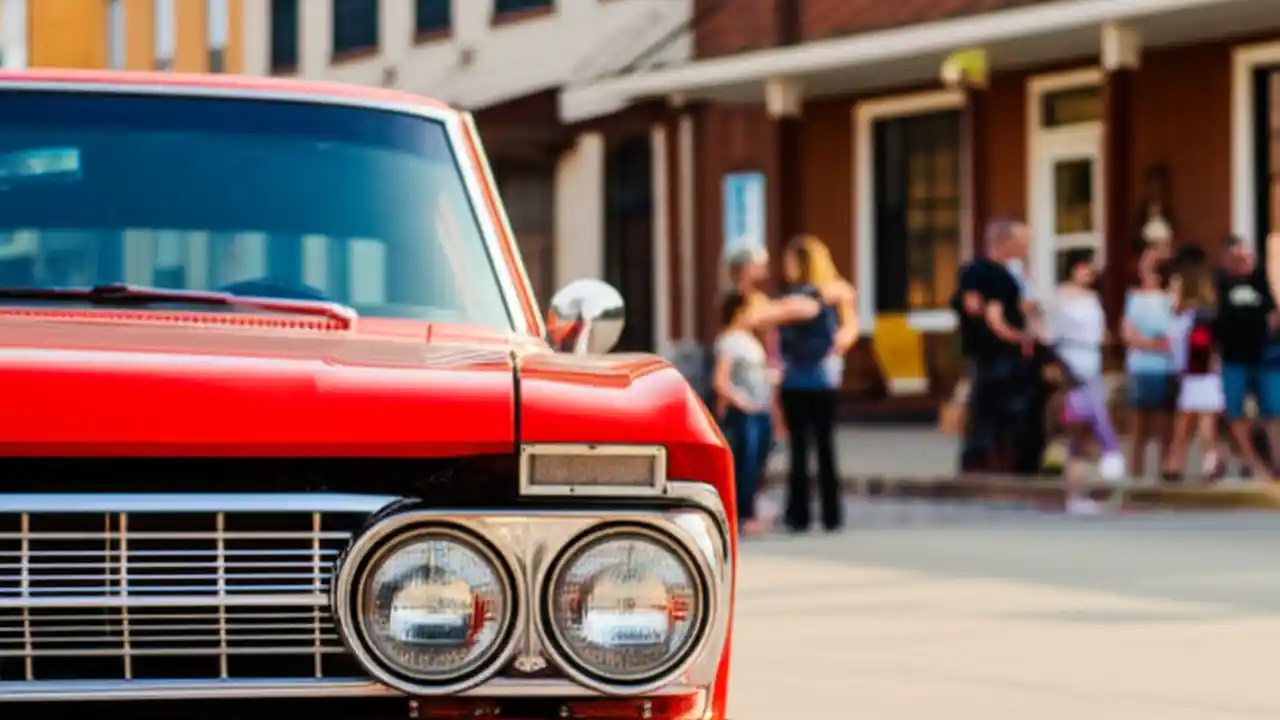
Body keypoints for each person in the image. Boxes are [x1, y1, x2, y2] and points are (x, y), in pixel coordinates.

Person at [777, 235, 857, 533]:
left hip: (797, 380)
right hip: (825, 380)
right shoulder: (835, 295)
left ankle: (799, 515)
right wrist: (836, 349)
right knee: (825, 448)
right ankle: (831, 515)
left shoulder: (798, 297)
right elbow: (849, 330)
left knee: (799, 449)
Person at [950, 219, 1037, 474]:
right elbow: (993, 316)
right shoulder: (994, 276)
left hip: (984, 354)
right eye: (1022, 242)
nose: (1025, 247)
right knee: (999, 413)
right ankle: (992, 464)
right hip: (998, 356)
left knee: (984, 412)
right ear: (1006, 242)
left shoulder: (981, 272)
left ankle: (982, 463)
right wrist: (1021, 337)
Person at [1046, 249, 1125, 514]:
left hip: (1092, 361)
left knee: (1081, 438)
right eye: (1085, 268)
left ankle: (1077, 493)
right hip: (1072, 361)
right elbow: (1051, 335)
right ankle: (1111, 450)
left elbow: (1099, 331)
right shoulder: (1060, 298)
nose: (1089, 273)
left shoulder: (1093, 298)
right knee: (1083, 419)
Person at [1213, 237, 1280, 479]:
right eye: (1237, 257)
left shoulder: (1260, 281)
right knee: (1235, 411)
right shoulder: (1220, 283)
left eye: (1246, 257)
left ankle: (1276, 461)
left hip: (1264, 356)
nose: (1243, 262)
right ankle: (1253, 463)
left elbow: (1273, 313)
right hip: (1233, 357)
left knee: (1273, 409)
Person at [1163, 254, 1225, 482]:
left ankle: (1212, 462)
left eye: (1174, 288)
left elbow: (1204, 348)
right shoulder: (1176, 316)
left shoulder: (1200, 316)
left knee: (1204, 424)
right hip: (1185, 374)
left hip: (1201, 374)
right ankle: (1174, 464)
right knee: (1183, 424)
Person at [1121, 250, 1177, 480]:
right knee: (1139, 428)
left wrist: (1149, 342)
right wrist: (1153, 343)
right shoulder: (1134, 298)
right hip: (1140, 368)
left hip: (1166, 369)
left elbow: (1173, 337)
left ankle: (1165, 473)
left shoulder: (1171, 299)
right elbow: (1127, 334)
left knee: (1165, 427)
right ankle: (1135, 475)